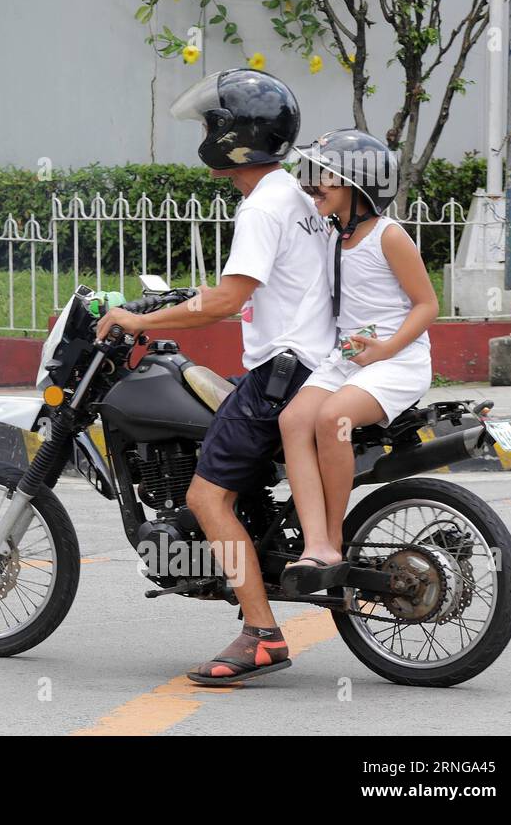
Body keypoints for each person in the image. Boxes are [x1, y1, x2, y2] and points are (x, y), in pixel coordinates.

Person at [95, 68, 335, 685]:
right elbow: (254, 289)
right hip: (316, 363)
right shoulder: (296, 197)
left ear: (234, 136)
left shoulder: (261, 207)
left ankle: (261, 634)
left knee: (204, 498)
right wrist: (174, 300)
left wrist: (133, 319)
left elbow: (228, 302)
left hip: (281, 372)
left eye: (210, 124)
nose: (205, 133)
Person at [277, 129, 437, 594]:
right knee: (292, 421)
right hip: (347, 359)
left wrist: (386, 349)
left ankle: (333, 536)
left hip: (397, 360)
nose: (313, 186)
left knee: (333, 419)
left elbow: (426, 304)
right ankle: (316, 543)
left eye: (324, 177)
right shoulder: (331, 236)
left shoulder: (389, 236)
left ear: (356, 182)